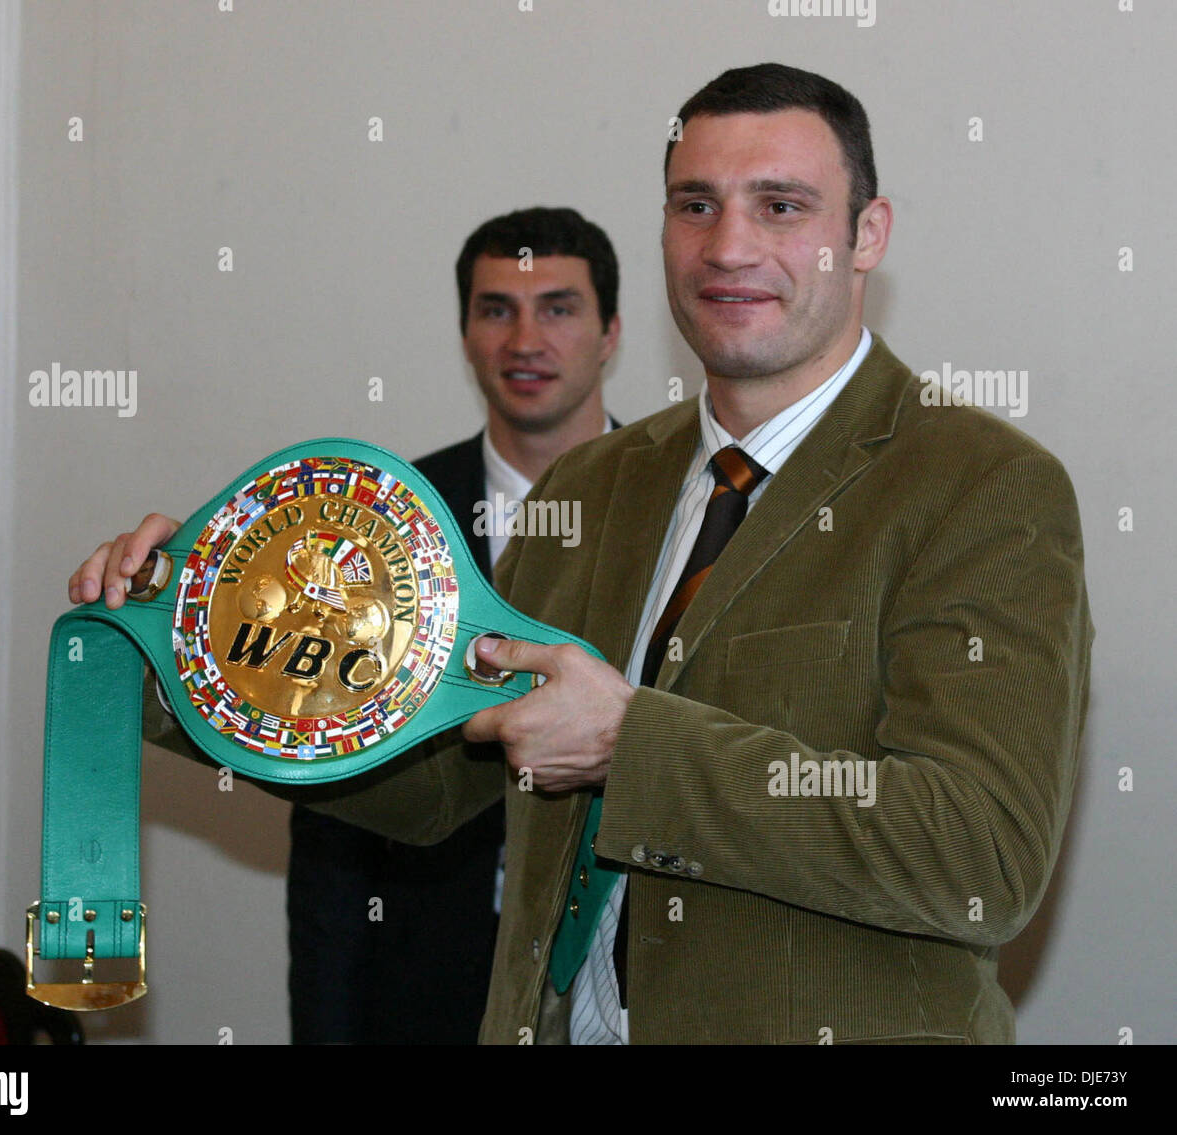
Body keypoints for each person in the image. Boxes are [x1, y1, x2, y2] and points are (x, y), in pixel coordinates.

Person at [145, 63, 1092, 1044]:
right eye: (695, 204)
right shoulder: (590, 488)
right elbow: (435, 777)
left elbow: (980, 858)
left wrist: (629, 744)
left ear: (865, 235)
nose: (728, 247)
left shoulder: (982, 486)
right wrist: (195, 647)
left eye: (780, 206)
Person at [69, 206, 622, 1043]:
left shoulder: (691, 514)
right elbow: (329, 820)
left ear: (612, 332)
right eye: (496, 308)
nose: (525, 338)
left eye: (558, 306)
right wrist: (177, 612)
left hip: (623, 973)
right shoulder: (373, 520)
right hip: (420, 977)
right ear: (465, 332)